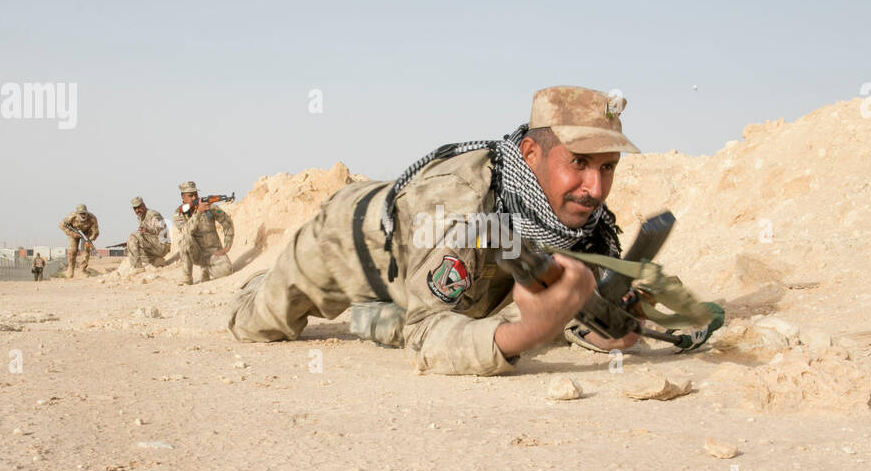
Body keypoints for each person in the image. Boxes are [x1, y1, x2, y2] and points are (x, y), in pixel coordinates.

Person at [226, 86, 723, 375]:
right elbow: (429, 335)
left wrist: (611, 322)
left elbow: (573, 295)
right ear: (531, 155)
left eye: (608, 167)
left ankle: (379, 316)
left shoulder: (576, 213)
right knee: (258, 325)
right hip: (346, 239)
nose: (595, 187)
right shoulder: (460, 208)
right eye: (578, 163)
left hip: (419, 269)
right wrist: (531, 331)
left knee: (445, 306)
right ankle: (262, 284)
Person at [172, 181, 234, 285]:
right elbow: (186, 230)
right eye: (190, 195)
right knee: (184, 239)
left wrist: (227, 246)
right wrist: (198, 213)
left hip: (214, 253)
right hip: (196, 253)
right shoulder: (179, 213)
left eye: (195, 194)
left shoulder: (209, 207)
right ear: (183, 197)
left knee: (227, 271)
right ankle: (187, 277)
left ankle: (206, 269)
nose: (194, 198)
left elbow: (227, 222)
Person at [125, 197, 171, 269]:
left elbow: (161, 229)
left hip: (162, 245)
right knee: (129, 248)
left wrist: (148, 230)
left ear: (144, 205)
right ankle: (155, 261)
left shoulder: (152, 215)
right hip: (154, 245)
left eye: (139, 207)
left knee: (133, 236)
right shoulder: (141, 217)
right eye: (135, 208)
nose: (137, 210)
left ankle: (137, 268)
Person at [59, 204, 99, 278]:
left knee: (86, 250)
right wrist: (72, 233)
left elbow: (96, 232)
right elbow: (61, 225)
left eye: (84, 213)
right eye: (81, 213)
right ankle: (70, 269)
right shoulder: (71, 217)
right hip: (73, 233)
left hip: (86, 233)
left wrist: (90, 239)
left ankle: (82, 270)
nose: (83, 215)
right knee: (73, 250)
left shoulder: (92, 218)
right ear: (77, 213)